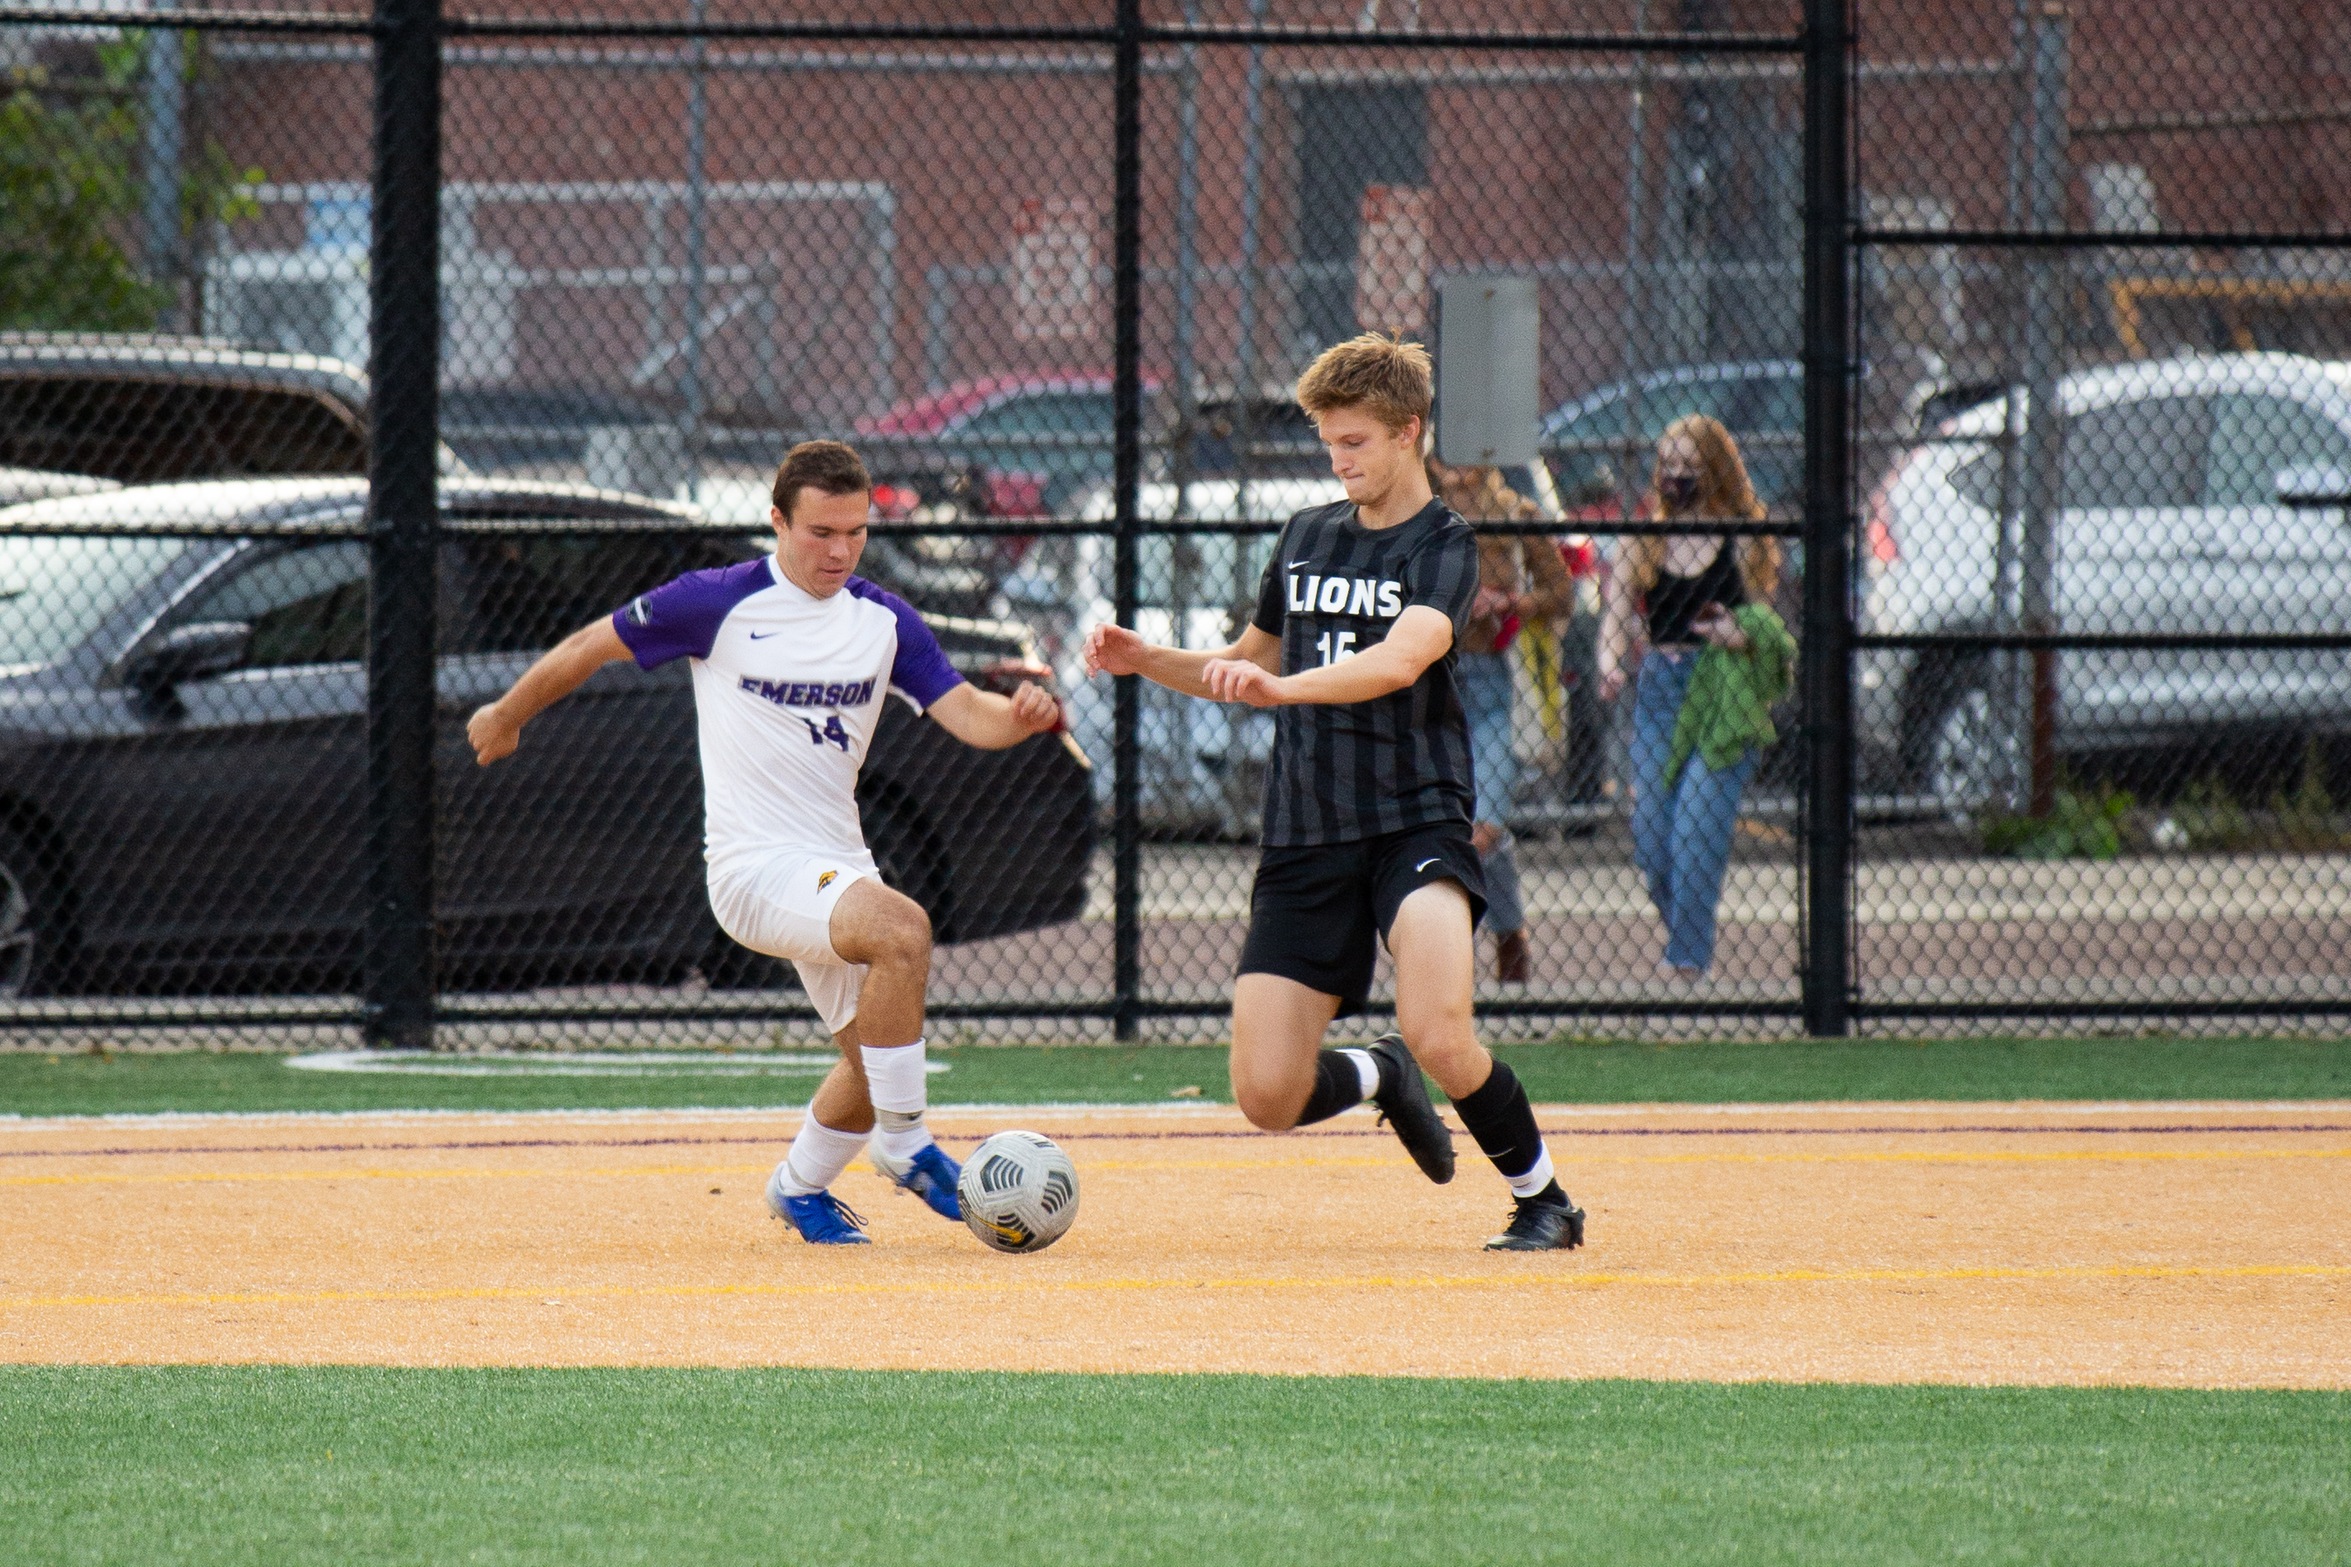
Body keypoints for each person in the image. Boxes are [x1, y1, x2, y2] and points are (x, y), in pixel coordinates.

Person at [465, 440, 1063, 1245]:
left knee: (868, 1057)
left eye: (855, 531)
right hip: (751, 870)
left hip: (837, 866)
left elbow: (965, 714)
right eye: (820, 531)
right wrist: (505, 716)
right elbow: (588, 645)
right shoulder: (716, 601)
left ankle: (799, 1187)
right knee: (902, 931)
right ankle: (907, 1144)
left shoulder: (883, 619)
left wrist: (1016, 718)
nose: (840, 549)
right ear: (776, 520)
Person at [1083, 334, 1585, 1251]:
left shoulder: (1445, 542)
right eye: (1328, 443)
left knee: (1439, 1029)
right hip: (1307, 831)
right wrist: (1146, 658)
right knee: (1266, 1095)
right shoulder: (1308, 533)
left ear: (1408, 432)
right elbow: (1245, 665)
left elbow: (1401, 658)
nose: (1339, 459)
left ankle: (1543, 1198)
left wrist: (1284, 689)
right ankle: (1375, 1074)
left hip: (1414, 821)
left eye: (1354, 440)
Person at [1596, 415, 1792, 981]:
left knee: (1695, 832)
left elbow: (1768, 625)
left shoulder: (1745, 538)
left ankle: (1686, 962)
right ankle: (1687, 932)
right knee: (1654, 844)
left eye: (1690, 467)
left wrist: (1740, 631)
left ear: (1715, 470)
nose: (1676, 477)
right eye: (1669, 466)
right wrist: (1610, 663)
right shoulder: (1646, 539)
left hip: (1721, 689)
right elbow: (1615, 615)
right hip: (1661, 687)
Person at [1426, 457, 1574, 986]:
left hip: (1493, 679)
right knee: (1446, 828)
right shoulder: (1414, 505)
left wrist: (1513, 602)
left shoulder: (1515, 509)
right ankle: (1504, 931)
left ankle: (1473, 949)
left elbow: (1563, 593)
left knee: (1482, 827)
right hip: (1426, 682)